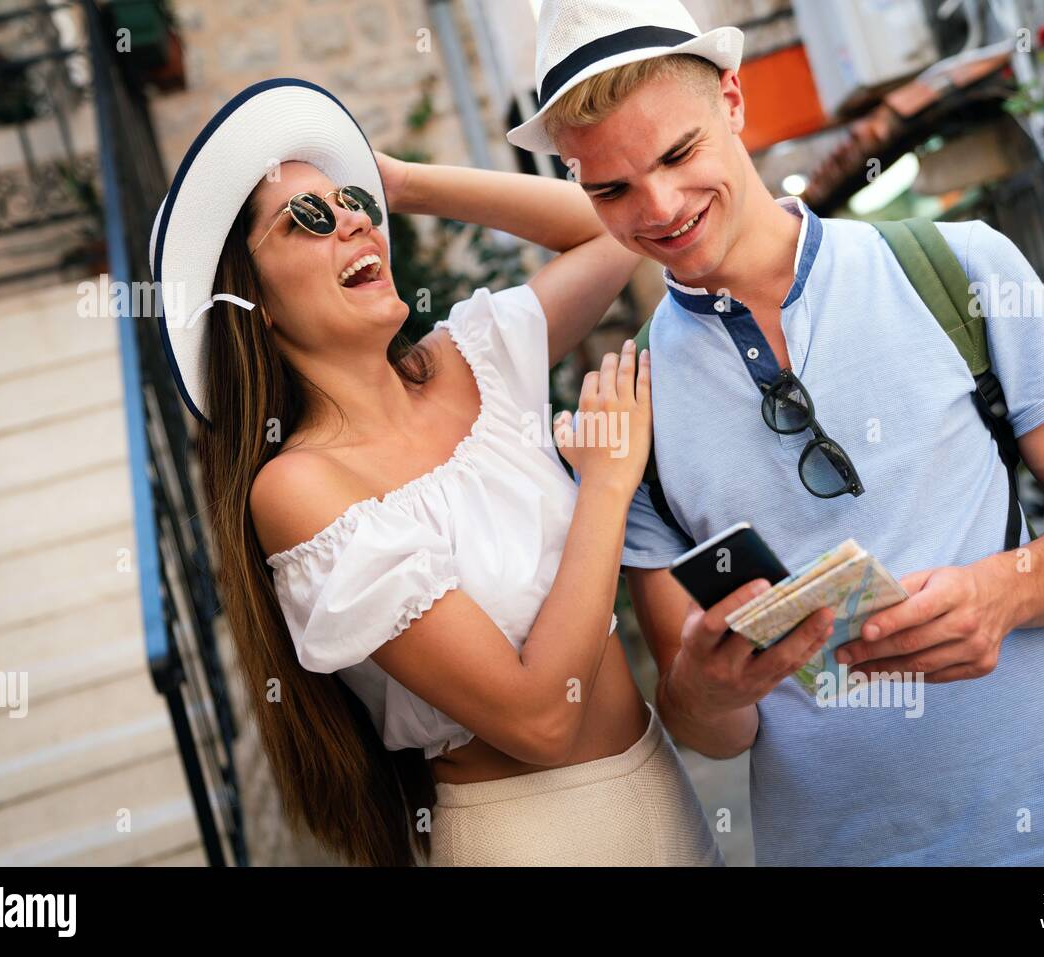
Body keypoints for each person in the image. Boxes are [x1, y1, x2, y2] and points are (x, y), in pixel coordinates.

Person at [507, 0, 1044, 866]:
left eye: (679, 154)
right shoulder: (629, 404)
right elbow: (708, 731)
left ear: (734, 98)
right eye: (610, 188)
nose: (661, 207)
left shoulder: (960, 265)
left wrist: (1004, 591)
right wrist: (709, 686)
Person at [148, 77, 724, 866]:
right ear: (256, 302)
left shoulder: (473, 359)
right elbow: (540, 719)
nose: (351, 219)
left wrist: (407, 183)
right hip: (533, 840)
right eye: (306, 220)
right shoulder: (298, 488)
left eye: (350, 200)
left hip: (662, 788)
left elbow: (616, 234)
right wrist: (606, 485)